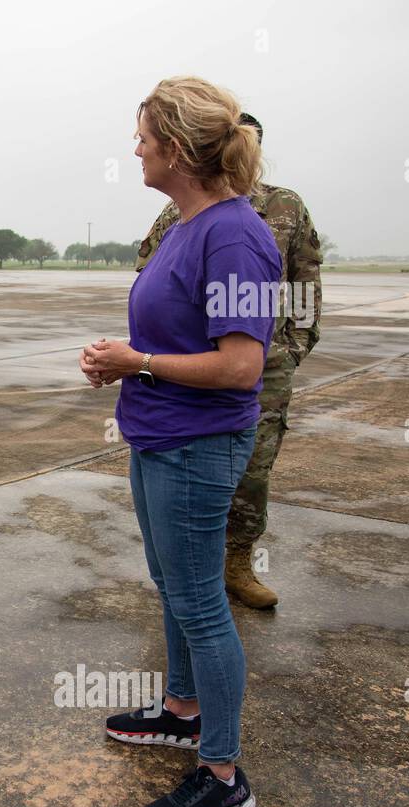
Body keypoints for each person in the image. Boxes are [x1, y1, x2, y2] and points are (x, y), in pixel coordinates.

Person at [80, 78, 281, 807]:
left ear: (177, 145)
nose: (134, 148)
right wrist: (126, 360)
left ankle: (224, 776)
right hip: (161, 437)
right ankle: (183, 709)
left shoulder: (232, 234)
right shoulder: (186, 225)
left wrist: (139, 363)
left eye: (143, 135)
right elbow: (179, 338)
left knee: (200, 602)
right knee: (173, 583)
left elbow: (239, 366)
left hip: (197, 445)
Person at [135, 113, 324, 609]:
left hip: (264, 363)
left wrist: (293, 346)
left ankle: (237, 561)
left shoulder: (282, 206)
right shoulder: (183, 211)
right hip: (196, 368)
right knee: (198, 476)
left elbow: (305, 282)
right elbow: (152, 270)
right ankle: (196, 573)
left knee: (253, 471)